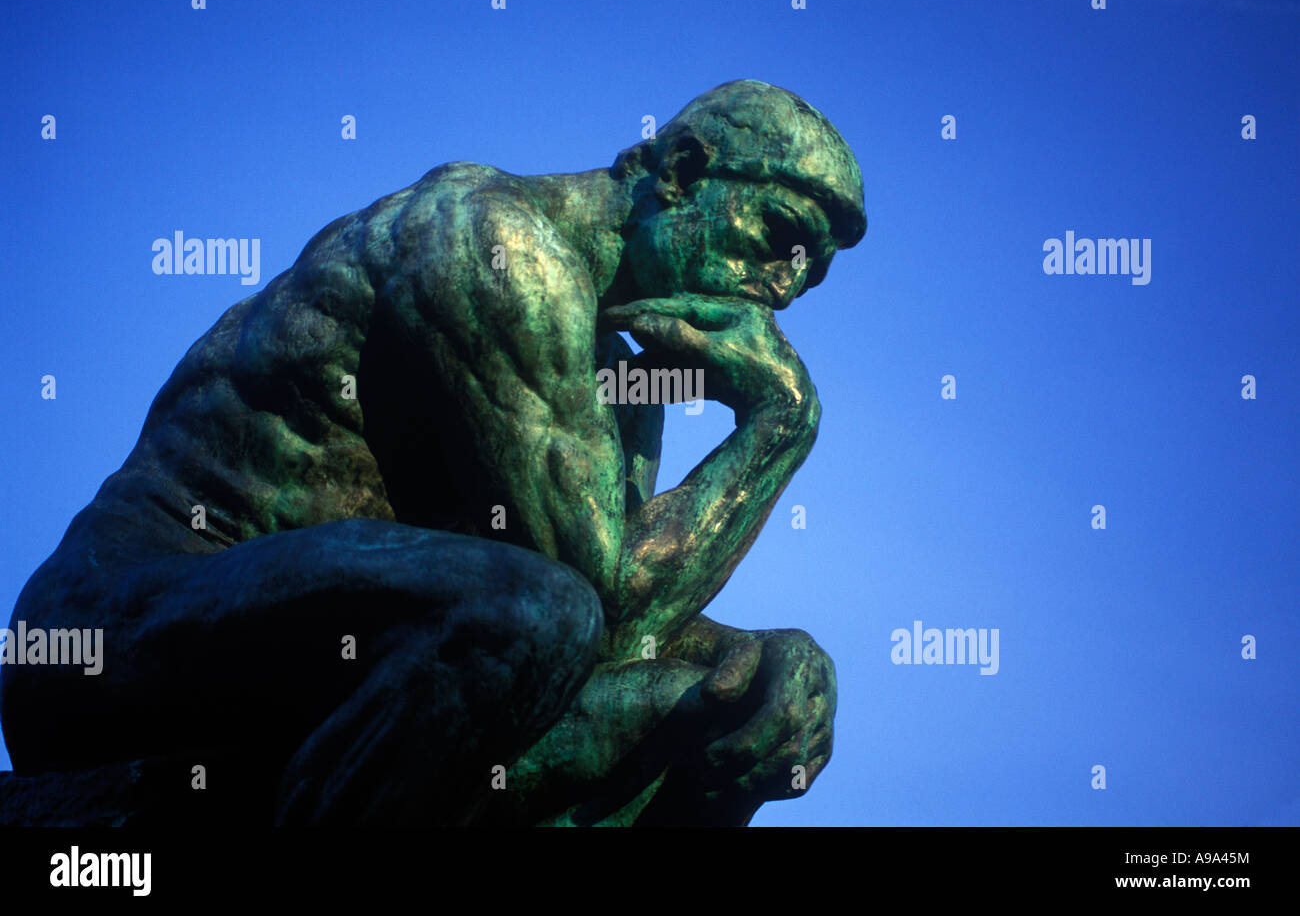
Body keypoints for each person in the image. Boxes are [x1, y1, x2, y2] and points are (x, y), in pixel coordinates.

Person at [2, 79, 866, 825]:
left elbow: (626, 621)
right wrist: (779, 428)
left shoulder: (616, 376)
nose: (783, 287)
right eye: (779, 236)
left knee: (740, 703)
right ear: (680, 172)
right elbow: (592, 611)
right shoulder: (498, 244)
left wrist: (761, 658)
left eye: (809, 274)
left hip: (352, 663)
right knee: (535, 613)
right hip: (110, 632)